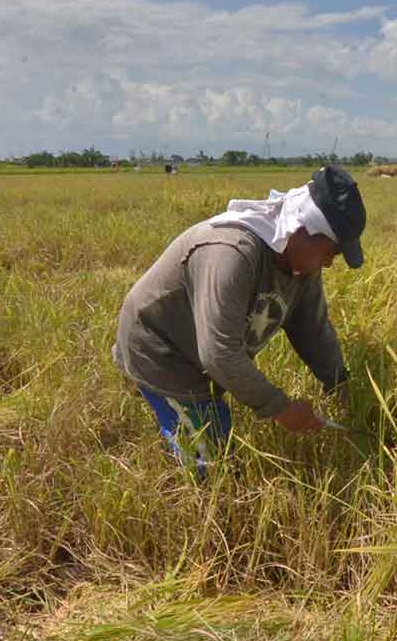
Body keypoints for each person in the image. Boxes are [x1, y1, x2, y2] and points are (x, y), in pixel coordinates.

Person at [112, 166, 365, 475]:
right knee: (213, 466)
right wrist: (280, 408)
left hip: (200, 353)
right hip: (161, 351)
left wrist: (339, 385)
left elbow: (313, 331)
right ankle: (157, 395)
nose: (328, 263)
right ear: (302, 230)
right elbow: (219, 354)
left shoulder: (301, 266)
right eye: (331, 253)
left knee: (211, 432)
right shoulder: (232, 253)